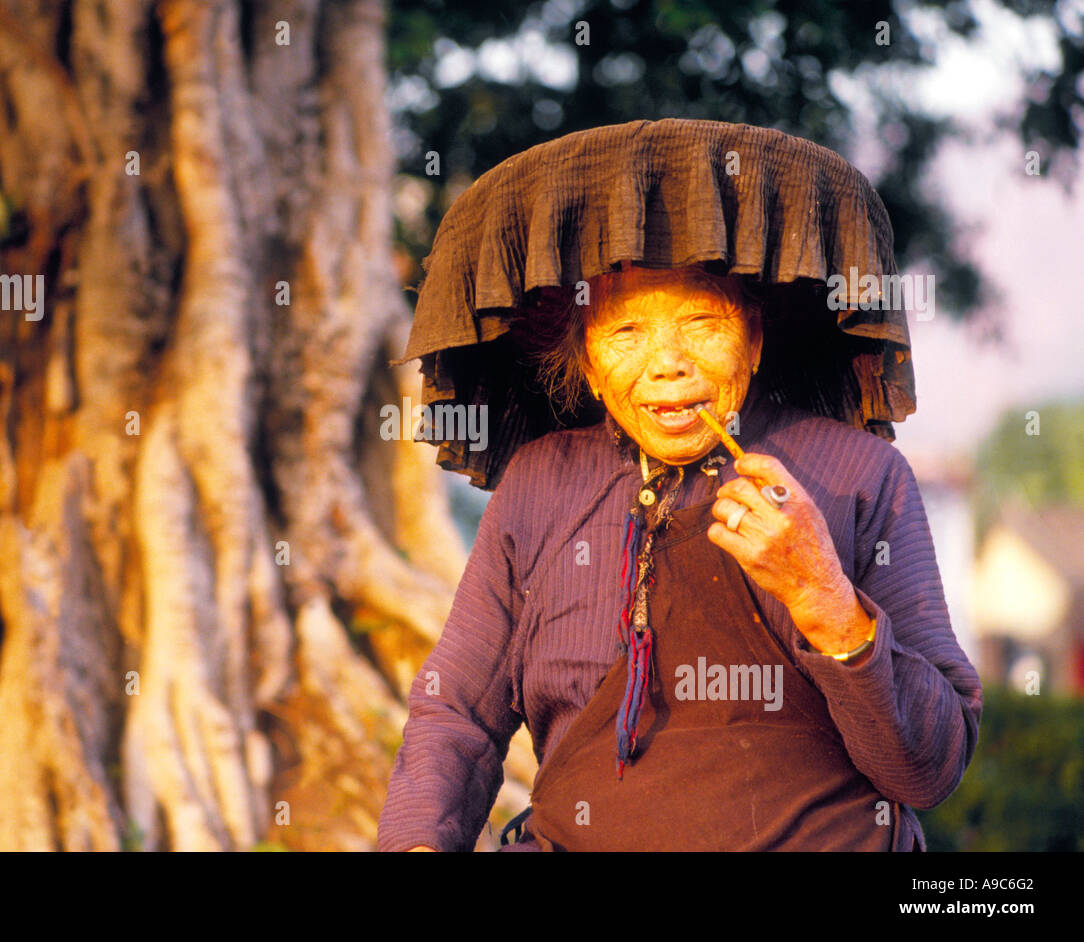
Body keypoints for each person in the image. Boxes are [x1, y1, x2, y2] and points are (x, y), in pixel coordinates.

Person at [378, 120, 982, 851]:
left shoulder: (859, 475)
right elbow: (458, 717)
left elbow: (930, 771)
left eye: (700, 320)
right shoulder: (540, 486)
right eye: (627, 332)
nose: (668, 364)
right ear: (591, 365)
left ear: (753, 340)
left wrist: (824, 598)